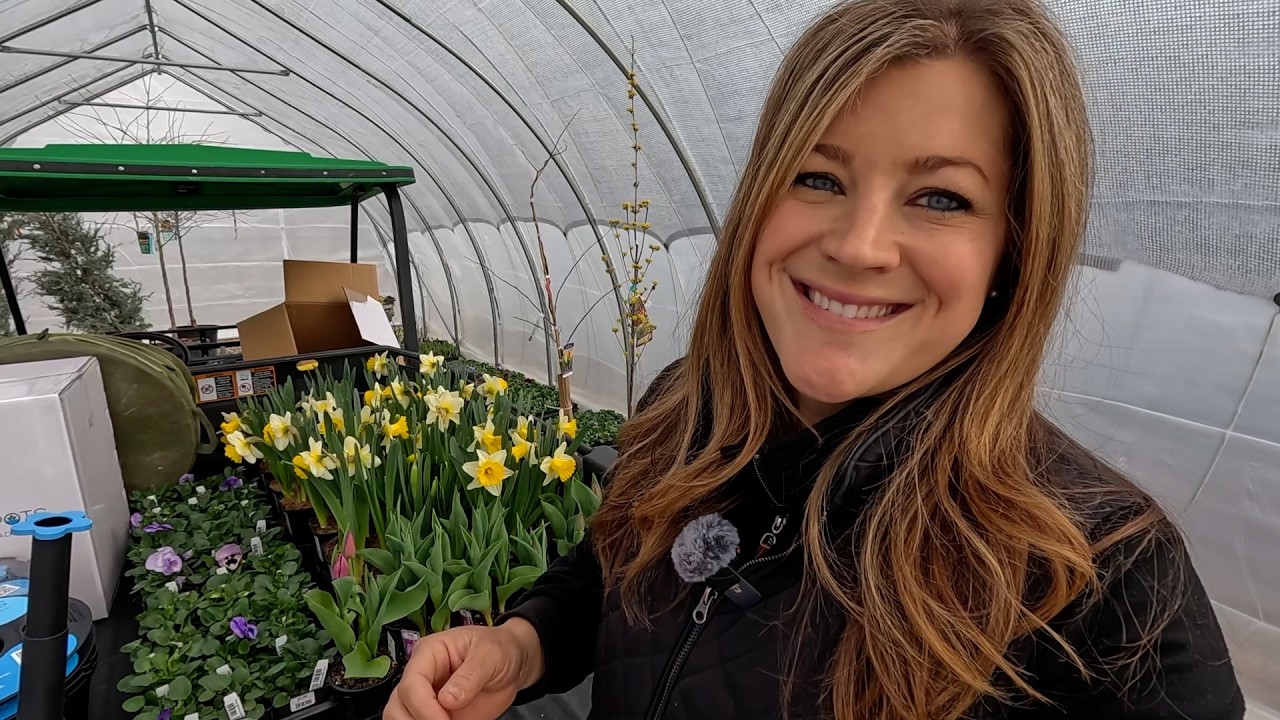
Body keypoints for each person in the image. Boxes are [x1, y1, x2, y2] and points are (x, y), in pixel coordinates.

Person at [384, 0, 1246, 718]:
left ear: (1012, 253)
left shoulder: (1101, 574)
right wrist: (521, 643)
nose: (861, 246)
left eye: (941, 197)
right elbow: (613, 574)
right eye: (819, 178)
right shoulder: (688, 407)